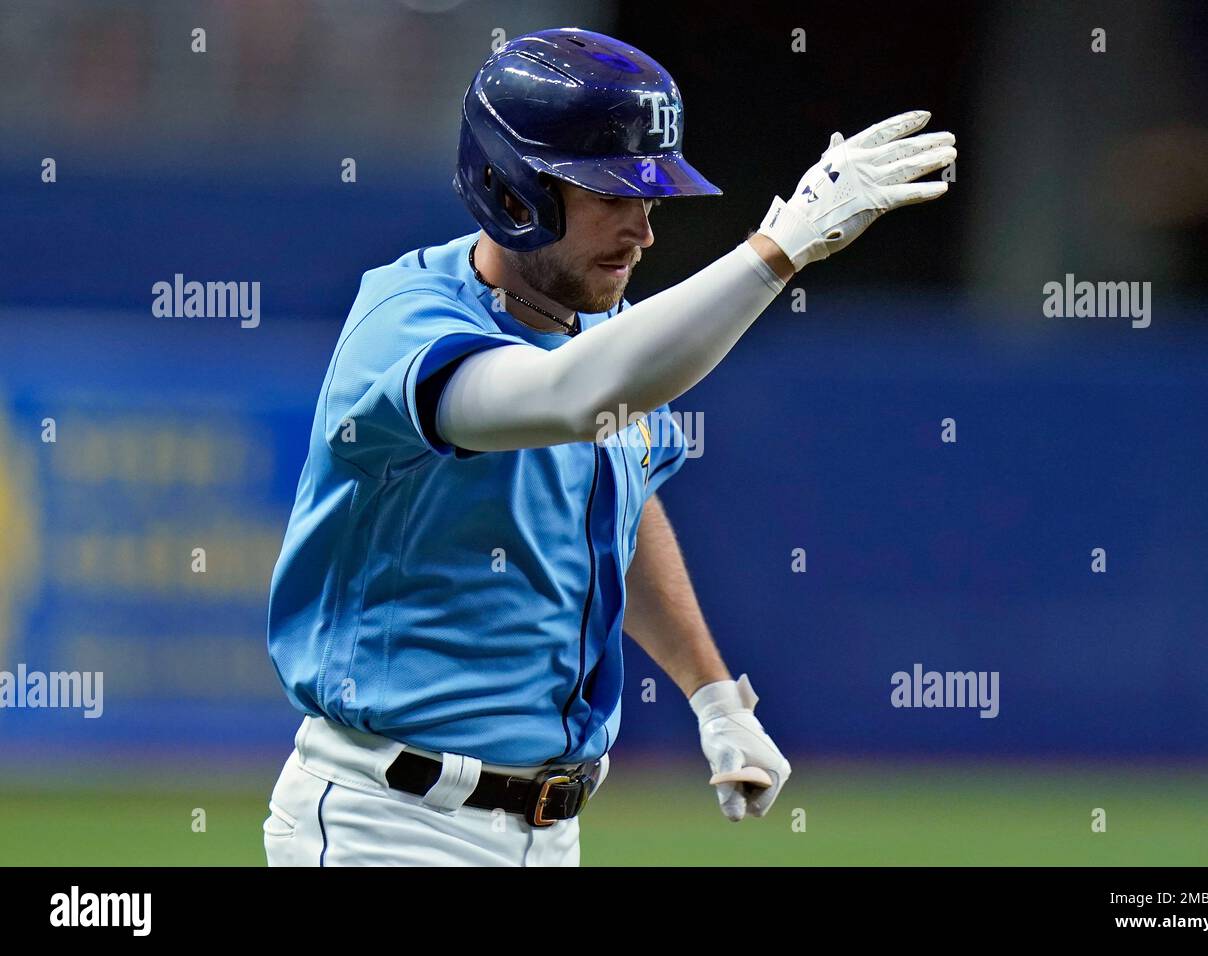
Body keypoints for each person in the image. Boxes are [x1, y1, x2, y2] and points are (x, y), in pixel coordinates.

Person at [262, 27, 955, 866]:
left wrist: (714, 698)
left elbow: (618, 503)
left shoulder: (603, 329)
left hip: (549, 828)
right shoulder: (406, 322)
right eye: (611, 195)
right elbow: (568, 398)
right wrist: (781, 250)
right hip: (390, 820)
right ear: (514, 189)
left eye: (650, 196)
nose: (643, 230)